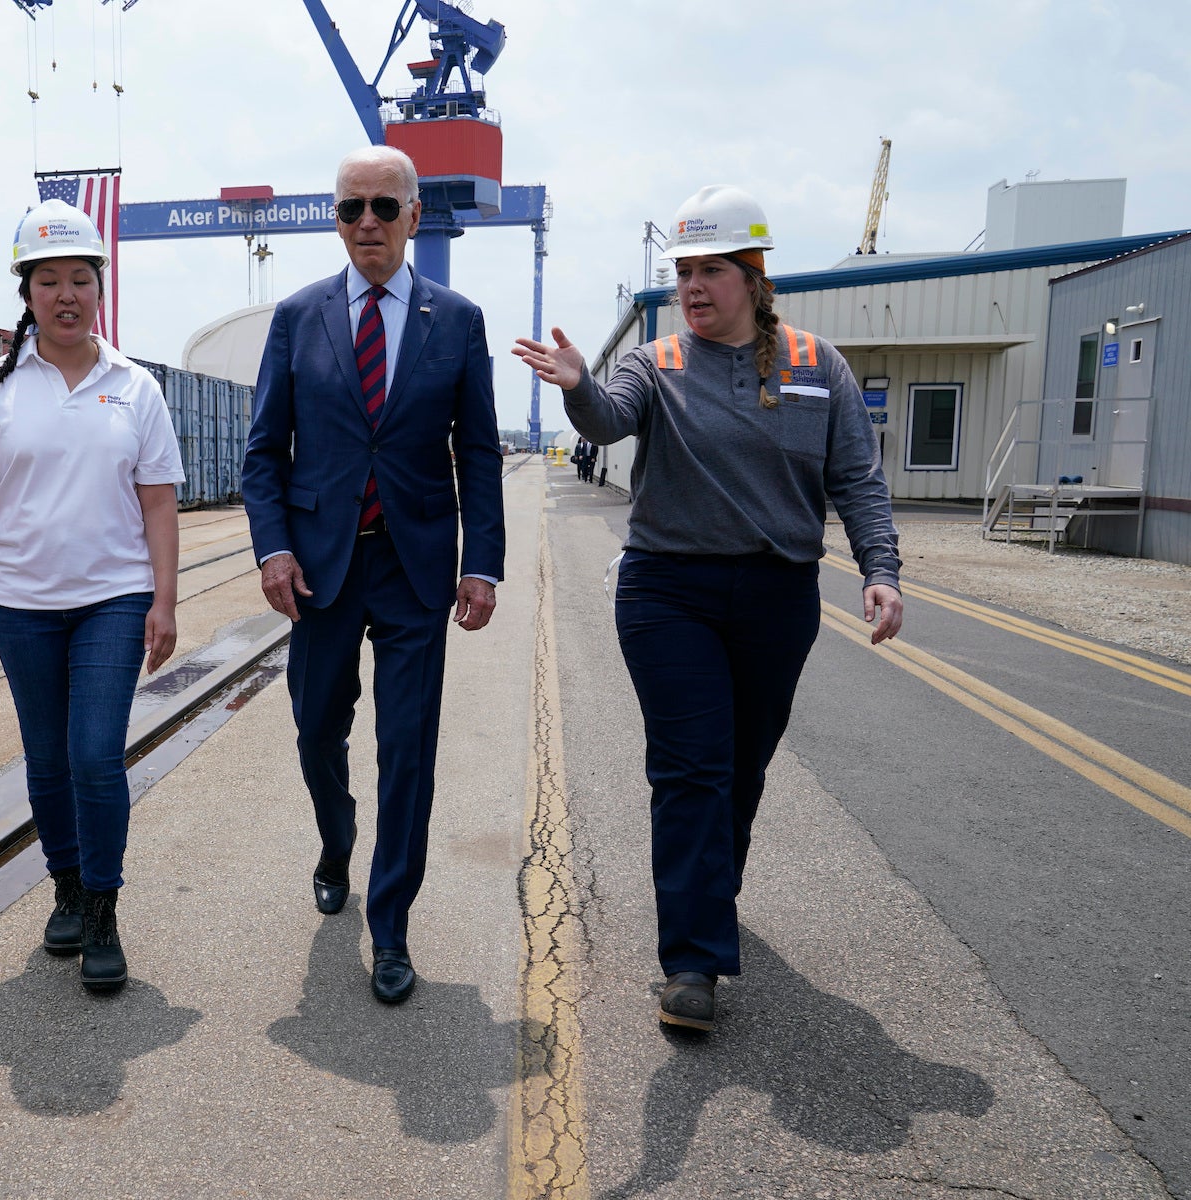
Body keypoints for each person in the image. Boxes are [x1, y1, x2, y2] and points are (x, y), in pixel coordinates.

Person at [512, 184, 903, 1032]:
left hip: (776, 596)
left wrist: (882, 568)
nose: (693, 286)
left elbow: (857, 480)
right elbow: (611, 420)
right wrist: (578, 386)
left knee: (742, 767)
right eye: (684, 271)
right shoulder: (656, 363)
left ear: (756, 277)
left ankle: (708, 891)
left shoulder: (815, 365)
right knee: (690, 766)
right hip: (668, 590)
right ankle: (691, 962)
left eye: (711, 269)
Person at [242, 145, 506, 1004]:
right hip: (319, 568)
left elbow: (477, 452)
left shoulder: (457, 321)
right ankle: (336, 835)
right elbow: (262, 453)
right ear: (336, 217)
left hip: (414, 565)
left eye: (384, 208)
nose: (367, 224)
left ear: (415, 216)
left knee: (409, 752)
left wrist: (484, 564)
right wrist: (272, 548)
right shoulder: (297, 316)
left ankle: (390, 928)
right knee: (319, 730)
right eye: (352, 208)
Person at [0, 198, 185, 994]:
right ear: (26, 293)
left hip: (112, 598)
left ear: (99, 289)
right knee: (45, 759)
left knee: (94, 756)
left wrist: (165, 602)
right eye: (48, 281)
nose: (65, 294)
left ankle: (102, 908)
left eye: (80, 279)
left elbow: (159, 503)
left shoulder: (135, 387)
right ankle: (66, 888)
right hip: (22, 607)